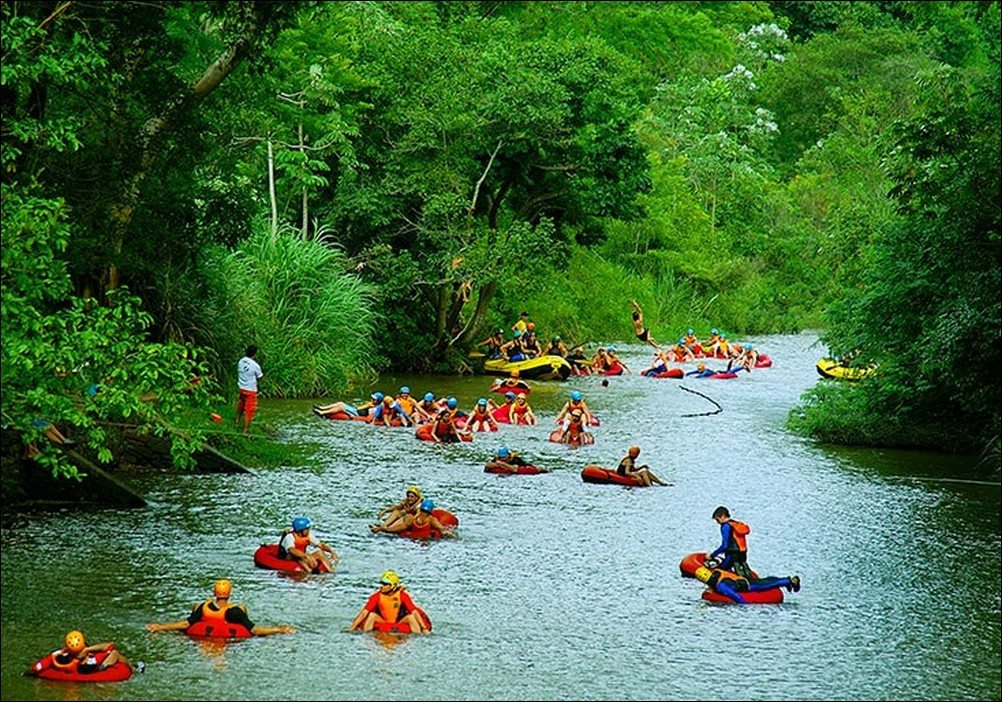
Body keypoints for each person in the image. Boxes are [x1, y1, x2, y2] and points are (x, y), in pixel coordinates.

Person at [146, 579, 294, 636]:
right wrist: (279, 629)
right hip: (227, 636)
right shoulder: (234, 611)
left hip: (203, 637)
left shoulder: (203, 607)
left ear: (214, 592)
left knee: (195, 606)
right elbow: (254, 630)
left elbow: (185, 624)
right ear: (229, 593)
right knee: (243, 608)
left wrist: (159, 627)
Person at [348, 570, 431, 634]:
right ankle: (366, 636)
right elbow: (364, 613)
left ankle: (418, 638)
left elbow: (414, 611)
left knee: (411, 618)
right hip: (383, 621)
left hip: (399, 622)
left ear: (393, 586)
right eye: (381, 583)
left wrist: (424, 628)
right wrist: (352, 628)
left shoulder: (402, 595)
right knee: (371, 615)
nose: (382, 586)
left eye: (385, 584)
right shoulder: (377, 596)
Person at [37, 630, 137, 675]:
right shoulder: (90, 658)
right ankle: (134, 670)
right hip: (97, 670)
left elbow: (40, 666)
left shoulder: (64, 656)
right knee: (115, 653)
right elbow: (109, 646)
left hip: (79, 669)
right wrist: (87, 650)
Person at [693, 565, 800, 604]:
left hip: (747, 586)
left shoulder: (721, 586)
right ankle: (786, 581)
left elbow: (736, 597)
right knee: (766, 580)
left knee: (766, 584)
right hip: (742, 581)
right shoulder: (718, 572)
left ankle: (789, 581)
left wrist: (745, 604)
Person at [370, 498, 453, 538]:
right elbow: (442, 529)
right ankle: (381, 527)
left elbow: (397, 529)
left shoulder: (413, 518)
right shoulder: (431, 519)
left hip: (410, 539)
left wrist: (382, 529)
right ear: (431, 511)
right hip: (425, 540)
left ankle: (380, 527)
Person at [708, 506, 752, 578]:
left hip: (732, 555)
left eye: (717, 519)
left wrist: (712, 555)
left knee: (720, 571)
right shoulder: (735, 523)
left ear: (722, 516)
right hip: (743, 554)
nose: (717, 522)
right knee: (743, 570)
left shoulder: (725, 526)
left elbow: (725, 546)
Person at [235, 345, 263, 434]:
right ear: (255, 354)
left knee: (241, 403)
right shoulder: (255, 365)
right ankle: (245, 431)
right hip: (250, 390)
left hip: (241, 388)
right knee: (249, 410)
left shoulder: (241, 361)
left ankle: (237, 420)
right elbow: (260, 377)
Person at [313, 391, 382, 419]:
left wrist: (368, 406)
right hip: (355, 411)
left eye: (374, 399)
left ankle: (322, 412)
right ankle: (322, 408)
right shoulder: (371, 404)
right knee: (340, 403)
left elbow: (359, 409)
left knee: (341, 407)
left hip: (357, 414)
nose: (372, 400)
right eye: (372, 398)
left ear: (378, 401)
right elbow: (358, 408)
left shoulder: (374, 407)